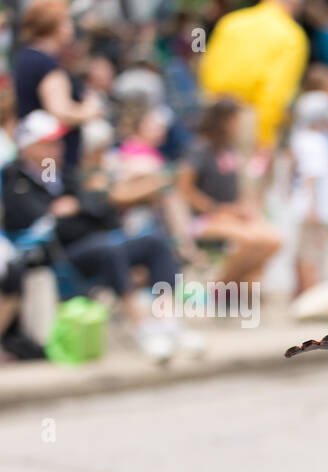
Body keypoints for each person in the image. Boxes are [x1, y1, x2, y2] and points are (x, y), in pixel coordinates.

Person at [2, 111, 188, 362]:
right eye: (48, 142)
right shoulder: (14, 179)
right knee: (108, 249)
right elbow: (43, 220)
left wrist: (77, 206)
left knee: (154, 242)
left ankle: (169, 322)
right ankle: (143, 327)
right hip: (61, 254)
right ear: (29, 147)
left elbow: (99, 207)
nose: (56, 148)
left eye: (57, 142)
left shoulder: (63, 173)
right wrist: (78, 208)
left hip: (96, 239)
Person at [176, 98, 282, 285]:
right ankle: (221, 287)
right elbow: (185, 189)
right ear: (224, 120)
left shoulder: (229, 148)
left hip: (231, 215)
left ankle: (237, 284)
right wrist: (214, 208)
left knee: (273, 240)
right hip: (204, 218)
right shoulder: (199, 148)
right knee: (249, 241)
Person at [197, 0, 309, 150]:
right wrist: (265, 139)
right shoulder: (292, 36)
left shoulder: (231, 21)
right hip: (249, 120)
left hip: (212, 111)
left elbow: (206, 66)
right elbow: (274, 94)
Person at [12, 0, 105, 171]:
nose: (70, 28)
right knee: (53, 193)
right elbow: (60, 112)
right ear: (55, 26)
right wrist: (90, 111)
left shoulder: (27, 58)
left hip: (37, 152)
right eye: (67, 22)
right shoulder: (45, 64)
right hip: (49, 157)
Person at [288, 90, 328, 292]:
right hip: (316, 209)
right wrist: (312, 208)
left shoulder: (305, 138)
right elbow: (311, 176)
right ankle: (308, 294)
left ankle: (303, 292)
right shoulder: (313, 142)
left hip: (313, 207)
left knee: (307, 251)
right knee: (311, 253)